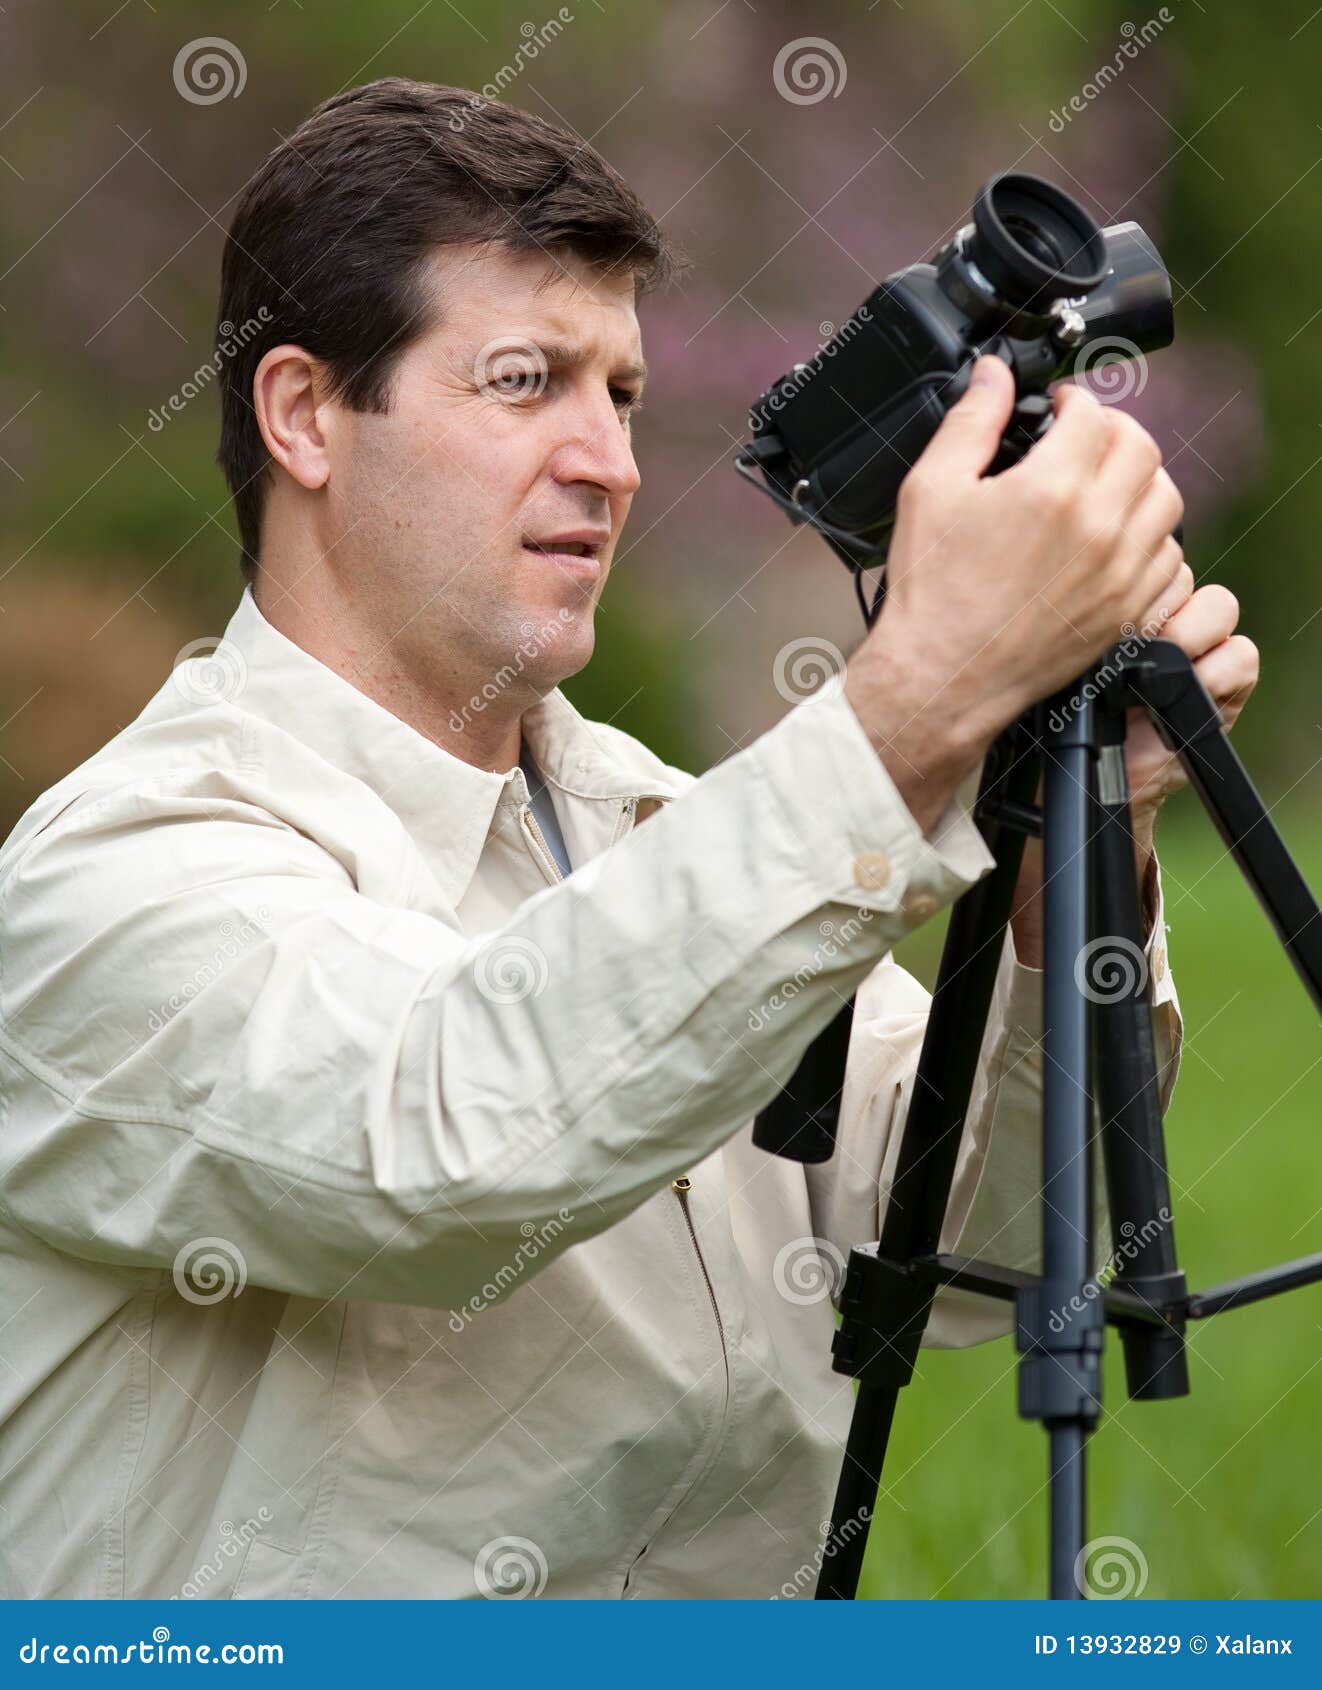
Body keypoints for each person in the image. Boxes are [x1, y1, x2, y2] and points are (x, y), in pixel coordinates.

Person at [0, 78, 1256, 1601]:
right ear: (304, 414)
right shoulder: (111, 877)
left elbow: (980, 1242)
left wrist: (1084, 845)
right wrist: (916, 697)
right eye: (526, 382)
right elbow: (451, 1146)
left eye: (622, 394)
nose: (607, 462)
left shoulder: (664, 833)